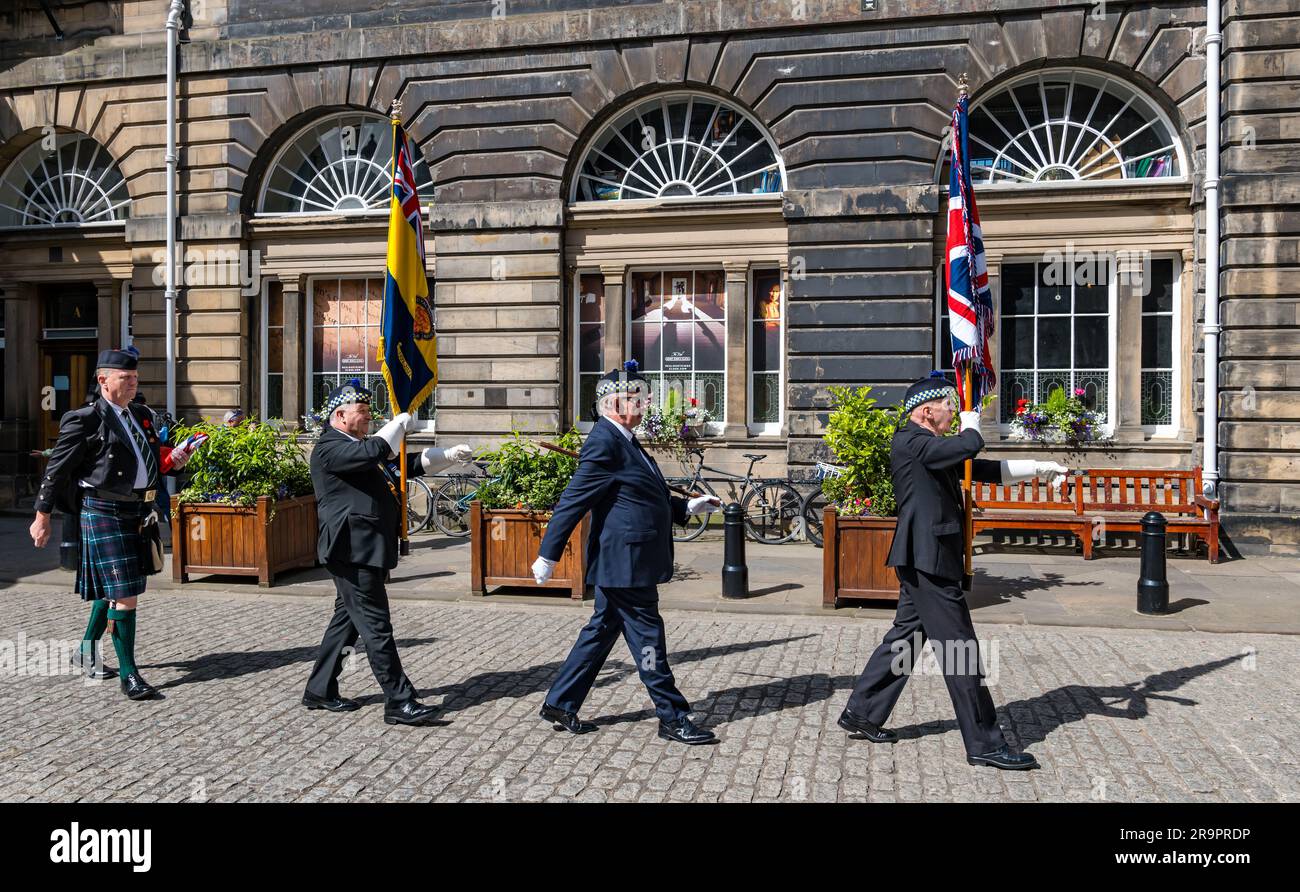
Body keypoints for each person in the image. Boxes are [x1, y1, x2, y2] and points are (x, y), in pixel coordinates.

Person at [837, 373, 1067, 770]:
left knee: (906, 639)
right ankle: (984, 743)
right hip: (929, 560)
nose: (954, 414)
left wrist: (1040, 468)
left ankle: (863, 710)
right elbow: (971, 443)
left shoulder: (930, 446)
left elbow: (981, 467)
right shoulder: (912, 442)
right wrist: (974, 415)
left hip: (926, 558)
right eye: (949, 408)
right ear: (926, 412)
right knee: (961, 651)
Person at [531, 361, 722, 745]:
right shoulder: (604, 441)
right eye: (638, 398)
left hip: (622, 562)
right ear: (614, 404)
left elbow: (640, 492)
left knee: (600, 632)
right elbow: (573, 501)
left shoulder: (625, 440)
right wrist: (548, 555)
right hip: (625, 564)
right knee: (649, 640)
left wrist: (686, 508)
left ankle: (560, 701)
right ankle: (672, 716)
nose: (645, 404)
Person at [303, 379, 473, 725]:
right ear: (339, 415)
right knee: (377, 627)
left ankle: (320, 689)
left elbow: (398, 466)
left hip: (367, 549)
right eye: (362, 412)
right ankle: (399, 700)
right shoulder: (330, 447)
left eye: (369, 412)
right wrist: (396, 424)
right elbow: (376, 452)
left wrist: (445, 456)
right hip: (352, 551)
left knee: (347, 622)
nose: (369, 417)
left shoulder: (358, 445)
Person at [29, 348, 195, 699]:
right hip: (103, 509)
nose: (133, 383)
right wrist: (42, 515)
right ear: (104, 380)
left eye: (135, 378)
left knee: (114, 587)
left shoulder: (141, 415)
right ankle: (129, 675)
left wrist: (175, 461)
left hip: (138, 512)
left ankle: (86, 651)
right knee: (125, 593)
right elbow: (56, 470)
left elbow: (149, 461)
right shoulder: (85, 419)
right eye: (126, 378)